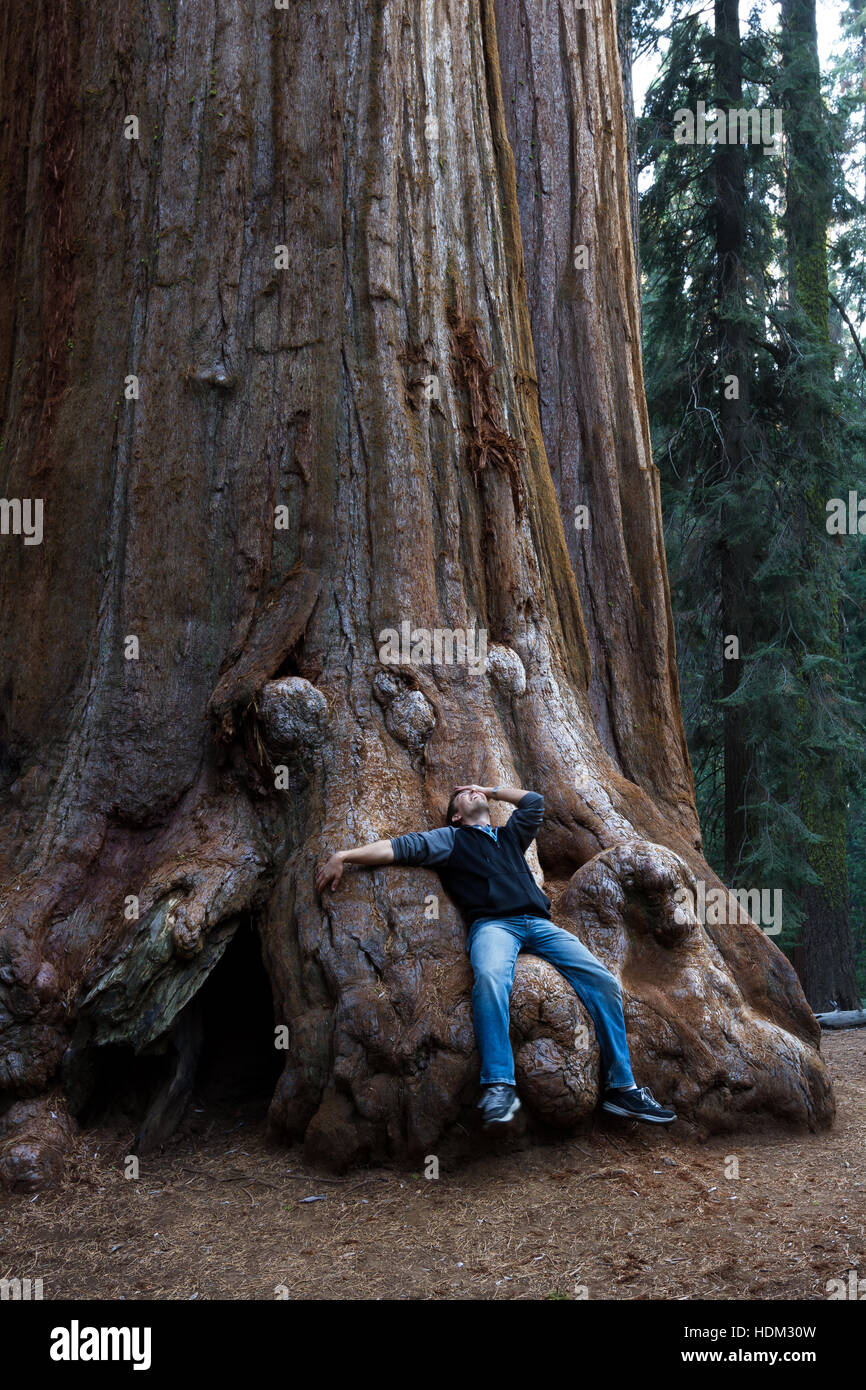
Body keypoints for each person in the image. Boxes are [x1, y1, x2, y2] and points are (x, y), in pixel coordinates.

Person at [316, 783, 676, 1128]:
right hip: (493, 926)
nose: (470, 794)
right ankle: (500, 1084)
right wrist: (344, 856)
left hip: (539, 924)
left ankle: (622, 1088)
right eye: (462, 796)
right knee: (489, 978)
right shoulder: (450, 839)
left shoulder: (509, 836)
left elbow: (534, 801)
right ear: (455, 816)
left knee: (602, 980)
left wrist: (488, 790)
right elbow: (397, 848)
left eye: (475, 793)